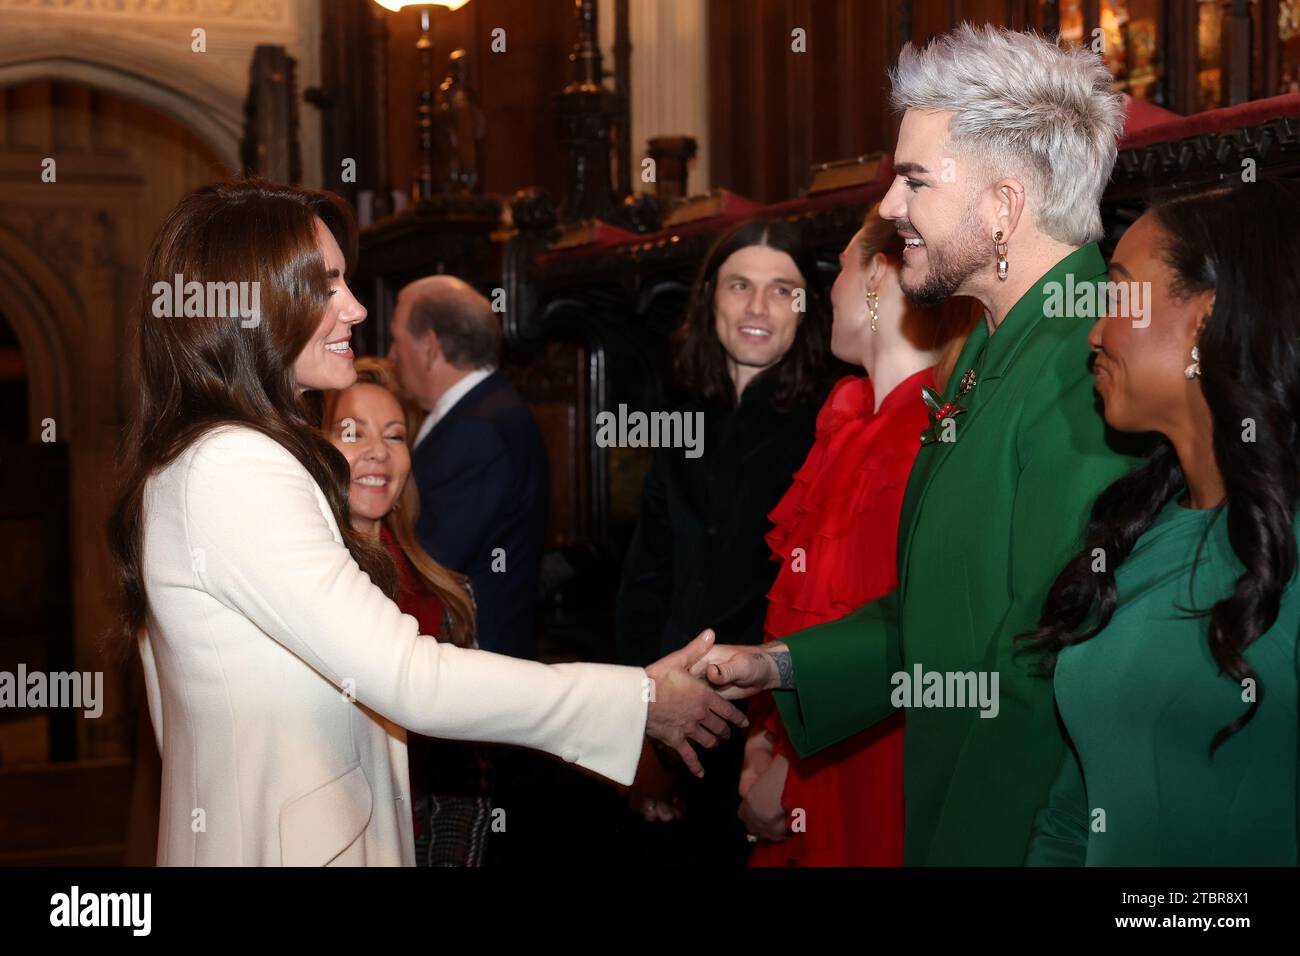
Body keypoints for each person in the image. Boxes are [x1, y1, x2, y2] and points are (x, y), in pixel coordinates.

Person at [110, 179, 747, 866]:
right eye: (325, 286)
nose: (356, 308)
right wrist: (637, 699)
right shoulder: (235, 465)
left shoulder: (212, 455)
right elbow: (406, 676)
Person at [691, 24, 1149, 865]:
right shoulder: (985, 350)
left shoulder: (1086, 360)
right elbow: (937, 614)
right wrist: (779, 666)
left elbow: (1043, 661)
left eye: (914, 181)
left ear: (1004, 206)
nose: (892, 208)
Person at [1024, 180, 1299, 866]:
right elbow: (1072, 816)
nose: (1094, 332)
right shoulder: (1136, 534)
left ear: (1205, 317)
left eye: (1118, 294)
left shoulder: (1288, 547)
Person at [740, 206, 976, 865]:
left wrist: (787, 771)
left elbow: (895, 637)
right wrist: (766, 737)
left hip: (863, 762)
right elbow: (805, 617)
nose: (829, 292)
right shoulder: (852, 425)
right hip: (808, 746)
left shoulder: (917, 437)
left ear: (877, 274)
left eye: (840, 269)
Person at [615, 216, 837, 864]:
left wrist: (777, 750)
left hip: (767, 729)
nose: (758, 307)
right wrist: (633, 731)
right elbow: (646, 578)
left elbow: (831, 607)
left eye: (782, 290)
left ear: (807, 310)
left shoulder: (830, 424)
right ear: (710, 297)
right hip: (664, 717)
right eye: (740, 285)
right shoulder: (682, 414)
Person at [321, 356, 491, 867]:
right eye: (352, 433)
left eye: (394, 436)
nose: (378, 451)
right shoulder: (294, 591)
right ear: (315, 449)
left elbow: (466, 776)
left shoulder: (446, 596)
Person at [386, 275, 547, 660]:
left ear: (429, 345)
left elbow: (427, 560)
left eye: (397, 340)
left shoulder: (477, 427)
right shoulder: (482, 407)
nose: (391, 355)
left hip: (476, 657)